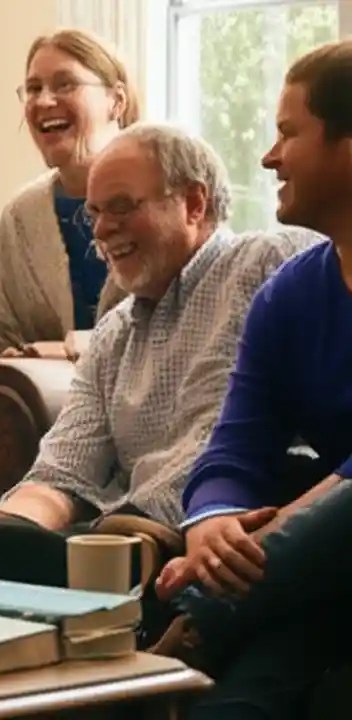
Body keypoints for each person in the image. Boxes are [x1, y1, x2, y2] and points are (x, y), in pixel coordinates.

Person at [0, 124, 318, 587]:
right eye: (93, 213)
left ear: (194, 204)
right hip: (115, 537)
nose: (101, 230)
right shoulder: (114, 331)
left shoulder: (267, 260)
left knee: (100, 544)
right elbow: (64, 470)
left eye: (120, 207)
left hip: (211, 525)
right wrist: (6, 528)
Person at [151, 39, 352, 719]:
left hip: (325, 545)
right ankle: (199, 631)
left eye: (289, 133)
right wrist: (214, 525)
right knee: (235, 705)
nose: (268, 157)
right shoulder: (292, 294)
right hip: (328, 577)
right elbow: (235, 444)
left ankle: (193, 621)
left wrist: (251, 550)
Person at [0, 28, 136, 363]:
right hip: (44, 402)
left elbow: (184, 322)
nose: (43, 101)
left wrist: (73, 348)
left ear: (117, 101)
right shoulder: (20, 216)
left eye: (65, 84)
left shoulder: (163, 196)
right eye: (33, 88)